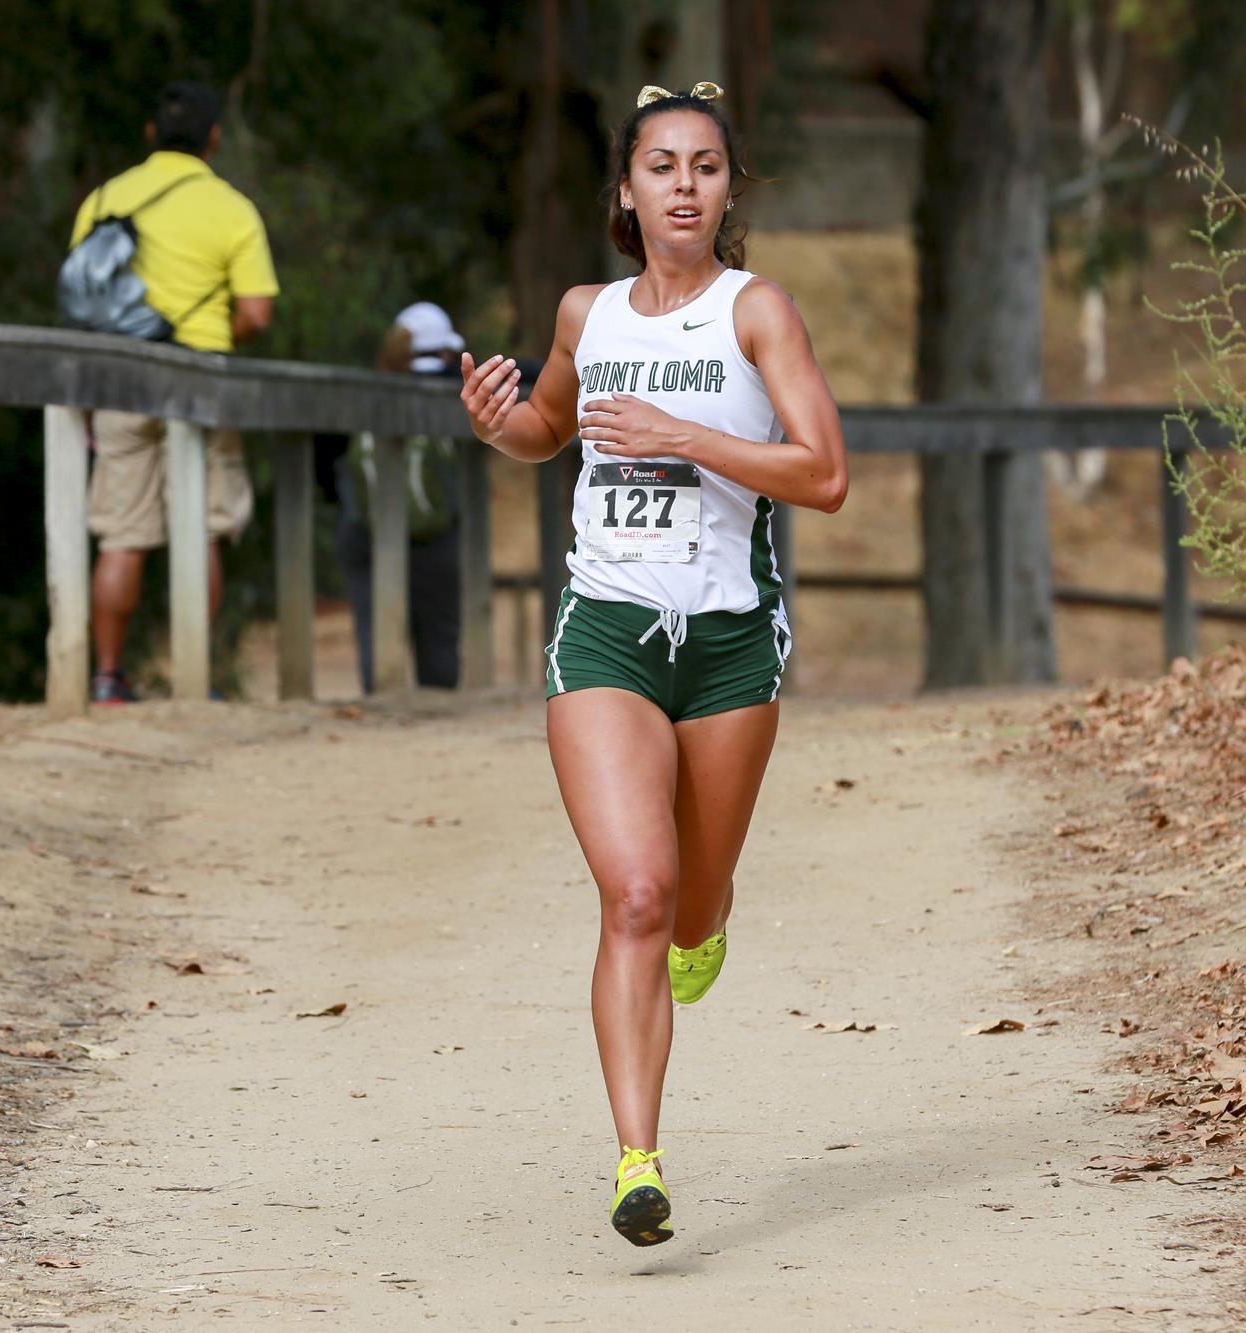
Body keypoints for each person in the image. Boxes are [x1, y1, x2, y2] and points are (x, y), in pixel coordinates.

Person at [459, 81, 847, 1246]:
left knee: (688, 904)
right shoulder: (586, 314)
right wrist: (497, 423)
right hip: (608, 628)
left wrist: (684, 437)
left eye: (704, 167)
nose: (683, 186)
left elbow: (823, 475)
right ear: (625, 192)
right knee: (633, 893)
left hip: (727, 643)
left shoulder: (754, 313)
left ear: (727, 192)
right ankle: (637, 1160)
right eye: (661, 166)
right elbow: (547, 427)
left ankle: (702, 920)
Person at [70, 82, 277, 704]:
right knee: (201, 527)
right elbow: (256, 313)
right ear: (214, 138)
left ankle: (107, 678)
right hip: (200, 380)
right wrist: (220, 335)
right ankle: (193, 677)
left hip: (121, 377)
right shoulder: (232, 208)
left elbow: (83, 299)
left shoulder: (104, 198)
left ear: (150, 134)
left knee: (122, 533)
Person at [316, 303, 469, 692]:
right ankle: (438, 705)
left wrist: (338, 499)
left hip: (363, 532)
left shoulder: (365, 392)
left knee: (374, 632)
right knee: (439, 642)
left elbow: (326, 453)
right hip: (433, 538)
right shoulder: (453, 389)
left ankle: (380, 697)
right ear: (446, 351)